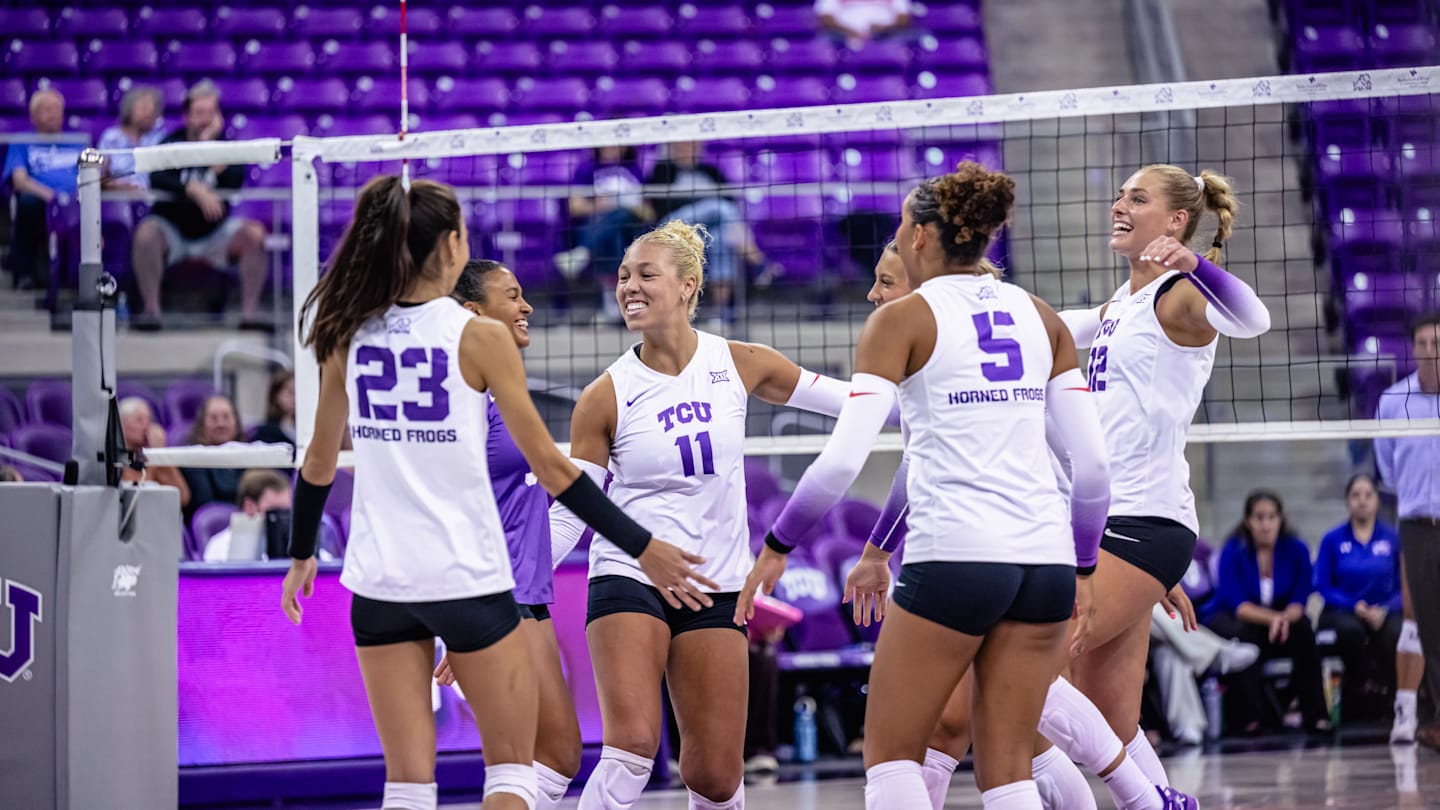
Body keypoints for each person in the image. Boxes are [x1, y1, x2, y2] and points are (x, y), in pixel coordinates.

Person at [280, 175, 717, 810]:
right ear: (452, 246)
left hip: (379, 582)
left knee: (406, 783)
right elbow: (553, 467)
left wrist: (300, 554)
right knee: (512, 773)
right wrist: (641, 543)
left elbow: (318, 463)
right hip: (468, 580)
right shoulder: (477, 336)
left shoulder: (346, 328)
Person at [737, 161, 1110, 810]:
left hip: (957, 556)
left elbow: (838, 463)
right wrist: (1081, 566)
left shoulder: (901, 320)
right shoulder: (1042, 317)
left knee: (889, 760)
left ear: (917, 237)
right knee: (1009, 771)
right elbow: (1094, 471)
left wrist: (778, 543)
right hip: (1046, 560)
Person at [550, 219, 874, 810]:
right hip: (630, 576)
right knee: (633, 751)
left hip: (718, 580)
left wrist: (943, 401)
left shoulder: (742, 362)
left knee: (718, 778)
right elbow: (573, 511)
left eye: (646, 274)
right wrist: (508, 581)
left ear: (688, 285)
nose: (629, 286)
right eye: (623, 277)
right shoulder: (606, 395)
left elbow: (858, 401)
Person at [846, 241, 1183, 810]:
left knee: (1003, 712)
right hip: (1041, 551)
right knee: (989, 730)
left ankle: (1145, 798)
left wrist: (870, 551)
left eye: (885, 280)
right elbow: (1082, 461)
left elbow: (905, 464)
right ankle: (1144, 797)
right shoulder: (1015, 335)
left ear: (928, 275)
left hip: (989, 548)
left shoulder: (934, 341)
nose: (874, 294)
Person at [1045, 164, 1267, 794]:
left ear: (1175, 221)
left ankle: (1151, 803)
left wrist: (1196, 265)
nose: (1119, 205)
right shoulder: (1125, 303)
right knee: (1110, 718)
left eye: (1136, 198)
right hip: (1125, 528)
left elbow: (1256, 320)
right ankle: (1166, 802)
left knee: (1025, 673)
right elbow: (1049, 329)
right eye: (1119, 195)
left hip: (1142, 525)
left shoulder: (1179, 297)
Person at [434, 259, 582, 809]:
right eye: (513, 296)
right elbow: (449, 507)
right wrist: (463, 618)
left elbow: (545, 505)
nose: (527, 307)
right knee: (519, 763)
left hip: (528, 598)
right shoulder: (462, 395)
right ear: (474, 313)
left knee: (560, 754)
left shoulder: (500, 394)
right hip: (496, 600)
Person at [131, 80, 268, 331]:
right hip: (172, 229)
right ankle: (151, 312)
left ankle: (249, 314)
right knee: (146, 234)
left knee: (254, 235)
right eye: (199, 113)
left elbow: (236, 179)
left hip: (215, 232)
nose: (204, 119)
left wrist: (208, 150)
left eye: (210, 113)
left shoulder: (227, 147)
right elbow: (157, 176)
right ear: (186, 116)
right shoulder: (172, 143)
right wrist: (192, 189)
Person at [1207, 491, 1329, 734]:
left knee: (1303, 630)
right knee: (1243, 634)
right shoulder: (1233, 551)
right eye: (1259, 518)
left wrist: (1282, 619)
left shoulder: (1297, 550)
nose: (1265, 524)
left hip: (1282, 621)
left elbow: (1299, 600)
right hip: (1240, 619)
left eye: (1271, 517)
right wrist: (1274, 618)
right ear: (1248, 521)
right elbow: (1239, 605)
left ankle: (1316, 715)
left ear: (1280, 520)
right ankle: (1251, 718)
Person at [1375, 312, 1440, 751]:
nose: (1431, 351)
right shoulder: (1392, 401)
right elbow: (1388, 473)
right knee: (1426, 626)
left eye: (1438, 342)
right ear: (1412, 349)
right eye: (1423, 343)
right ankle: (1423, 717)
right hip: (1417, 526)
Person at [646, 141, 777, 322]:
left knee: (722, 239)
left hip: (707, 229)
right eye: (683, 145)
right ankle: (756, 259)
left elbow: (731, 200)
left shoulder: (710, 171)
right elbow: (658, 206)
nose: (689, 148)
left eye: (693, 146)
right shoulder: (662, 170)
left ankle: (721, 312)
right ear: (673, 148)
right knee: (722, 208)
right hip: (674, 224)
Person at [1315, 473, 1404, 722]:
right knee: (1351, 631)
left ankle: (1388, 693)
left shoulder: (1392, 539)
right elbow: (1322, 584)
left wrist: (1385, 609)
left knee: (1397, 632)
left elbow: (1404, 585)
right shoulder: (1332, 539)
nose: (1362, 501)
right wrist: (1355, 606)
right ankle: (1360, 686)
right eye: (1356, 495)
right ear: (1347, 501)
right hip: (1343, 611)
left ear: (1377, 501)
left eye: (1368, 495)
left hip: (1385, 610)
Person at [4, 88, 84, 292]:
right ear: (33, 116)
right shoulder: (21, 142)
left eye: (57, 109)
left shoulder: (78, 143)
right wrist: (52, 198)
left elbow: (92, 178)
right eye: (46, 109)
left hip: (77, 202)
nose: (53, 113)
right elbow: (19, 180)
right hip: (40, 201)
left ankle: (76, 278)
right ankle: (25, 274)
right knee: (26, 203)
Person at [202, 469, 299, 562]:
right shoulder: (220, 548)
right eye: (274, 511)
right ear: (249, 506)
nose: (282, 519)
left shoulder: (293, 547)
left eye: (286, 512)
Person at [179, 394, 244, 519]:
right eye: (213, 418)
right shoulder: (193, 460)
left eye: (226, 417)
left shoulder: (250, 454)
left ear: (236, 422)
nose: (221, 424)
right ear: (202, 424)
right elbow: (205, 504)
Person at [118, 396, 191, 508]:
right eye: (139, 420)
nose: (146, 426)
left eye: (149, 420)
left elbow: (182, 498)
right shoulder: (112, 459)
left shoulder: (153, 460)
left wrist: (160, 452)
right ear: (121, 424)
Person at [98, 86, 167, 190]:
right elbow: (98, 178)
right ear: (129, 108)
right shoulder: (111, 138)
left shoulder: (160, 138)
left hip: (156, 198)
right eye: (144, 108)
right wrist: (118, 186)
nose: (149, 113)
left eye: (153, 109)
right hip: (119, 198)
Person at [815, 0, 913, 42]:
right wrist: (849, 31)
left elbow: (903, 19)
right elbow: (826, 18)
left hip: (886, 36)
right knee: (822, 39)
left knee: (917, 36)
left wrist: (882, 29)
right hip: (843, 36)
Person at [251, 370, 297, 446]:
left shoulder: (310, 427)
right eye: (290, 392)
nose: (295, 398)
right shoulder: (266, 432)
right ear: (276, 395)